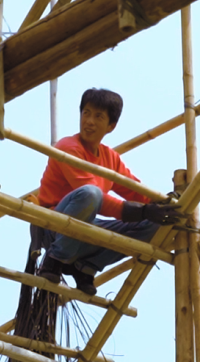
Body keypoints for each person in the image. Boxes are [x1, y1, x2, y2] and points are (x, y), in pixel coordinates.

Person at [35, 88, 183, 296]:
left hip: (86, 229)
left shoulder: (109, 157)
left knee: (156, 224)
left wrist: (164, 203)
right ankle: (56, 259)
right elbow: (97, 199)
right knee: (91, 194)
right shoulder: (68, 148)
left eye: (98, 116)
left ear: (111, 126)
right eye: (86, 113)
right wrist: (142, 211)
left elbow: (134, 189)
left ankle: (86, 266)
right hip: (56, 227)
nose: (89, 121)